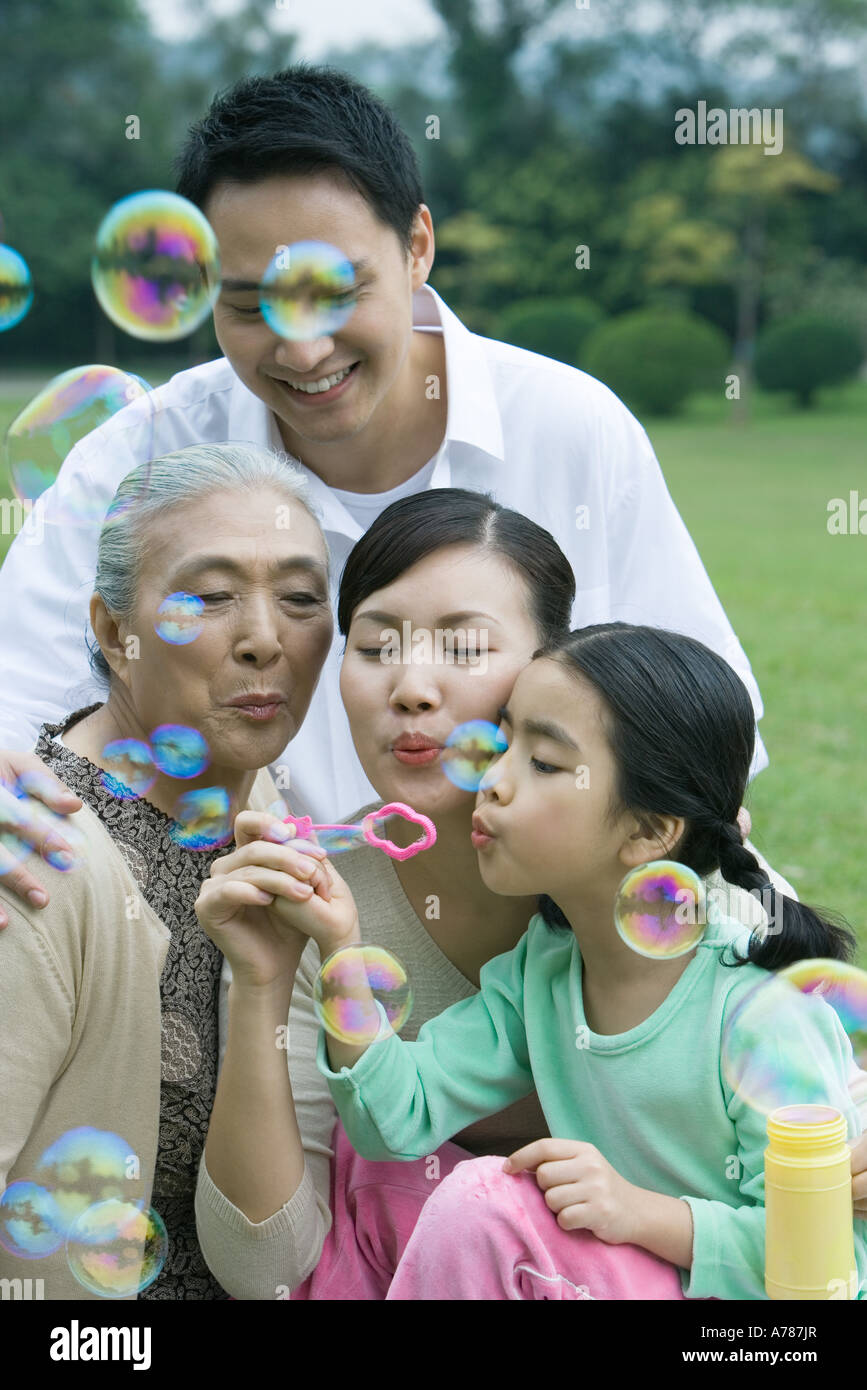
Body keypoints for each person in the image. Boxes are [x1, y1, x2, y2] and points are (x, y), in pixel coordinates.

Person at [0, 62, 769, 924]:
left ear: (416, 248)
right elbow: (15, 696)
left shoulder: (569, 428)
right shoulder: (142, 454)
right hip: (241, 925)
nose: (301, 351)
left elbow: (699, 731)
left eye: (334, 293)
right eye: (249, 306)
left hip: (538, 929)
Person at [192, 490, 846, 1301]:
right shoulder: (543, 968)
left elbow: (828, 1255)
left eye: (464, 647)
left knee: (478, 1203)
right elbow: (388, 1124)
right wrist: (334, 951)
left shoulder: (742, 970)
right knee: (402, 1182)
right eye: (374, 645)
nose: (412, 689)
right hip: (574, 1272)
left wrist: (644, 1214)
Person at [0, 443, 333, 1299]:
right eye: (211, 597)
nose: (265, 639)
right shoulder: (35, 861)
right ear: (115, 633)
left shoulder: (274, 813)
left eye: (300, 598)